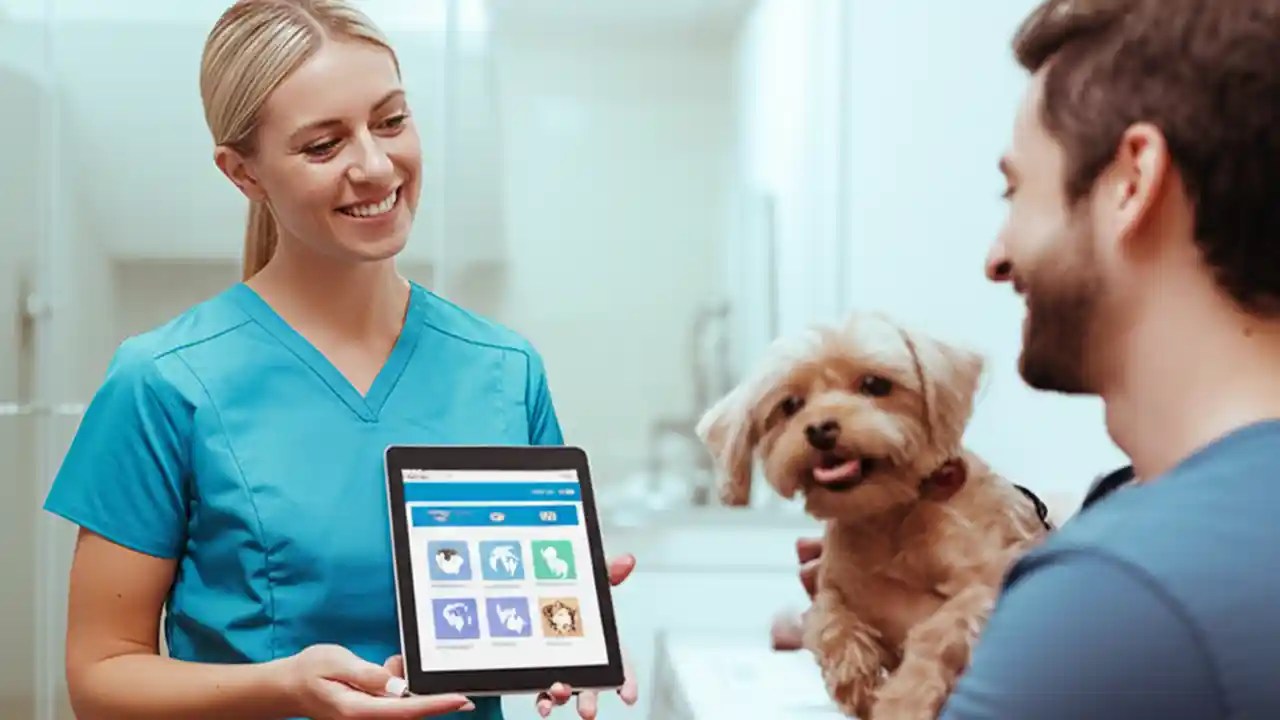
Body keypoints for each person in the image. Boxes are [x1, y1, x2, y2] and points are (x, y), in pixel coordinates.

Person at [41, 2, 637, 719]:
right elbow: (99, 679)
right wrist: (282, 685)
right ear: (243, 174)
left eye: (391, 121)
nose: (377, 164)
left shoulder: (505, 369)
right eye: (323, 146)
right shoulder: (164, 381)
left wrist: (565, 628)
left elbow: (523, 613)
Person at [793, 0, 1280, 717]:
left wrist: (1034, 625)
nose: (996, 257)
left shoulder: (1113, 591)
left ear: (1131, 182)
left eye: (1015, 191)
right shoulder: (1142, 522)